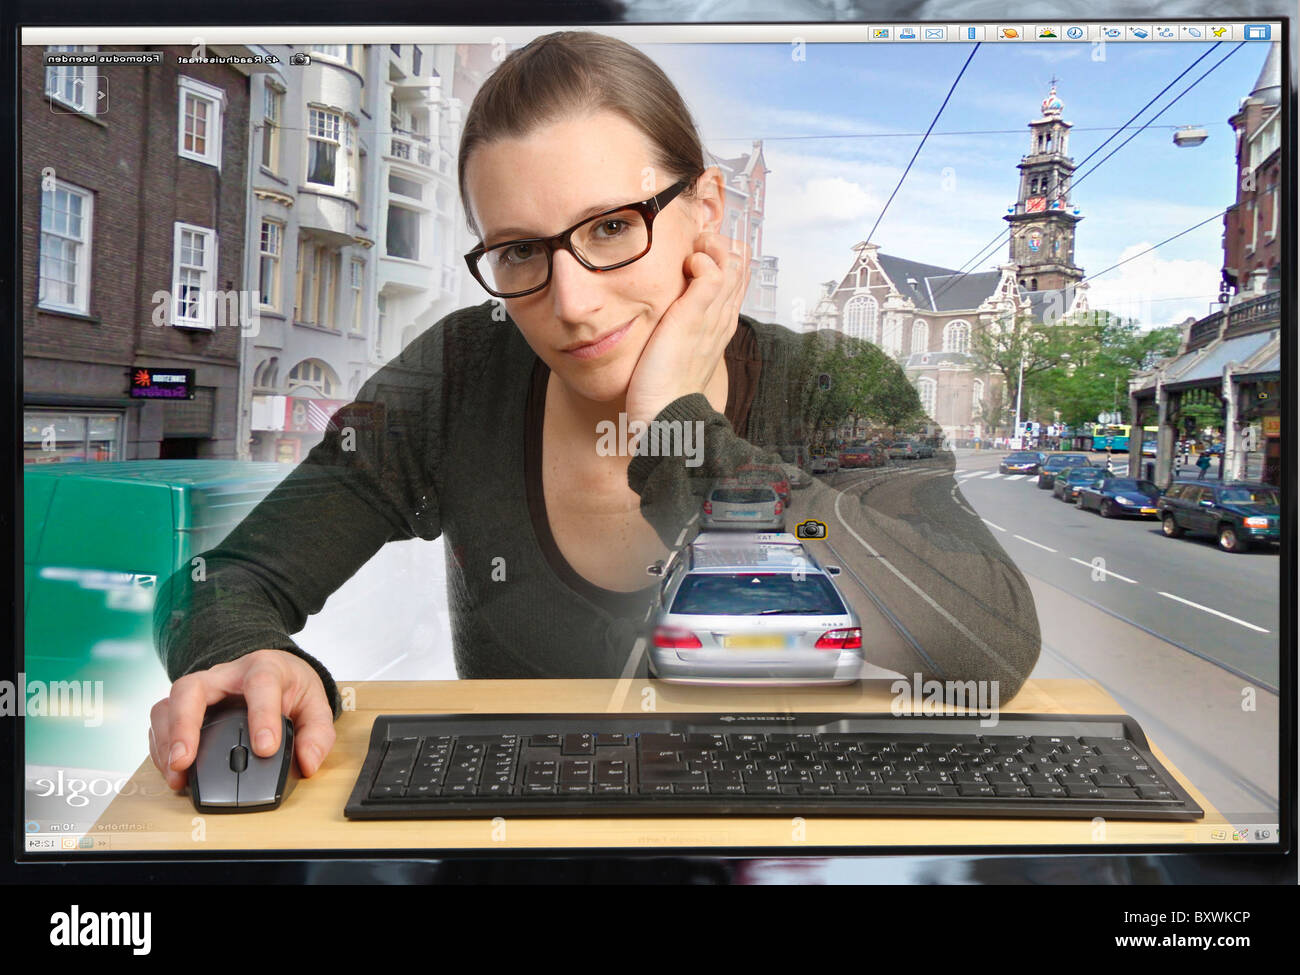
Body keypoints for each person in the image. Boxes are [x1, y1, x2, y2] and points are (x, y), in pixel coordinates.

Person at [148, 31, 1042, 791]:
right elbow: (219, 581)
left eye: (613, 226)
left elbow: (985, 645)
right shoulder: (462, 370)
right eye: (520, 250)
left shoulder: (836, 385)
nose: (570, 302)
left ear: (706, 213)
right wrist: (245, 653)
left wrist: (681, 433)